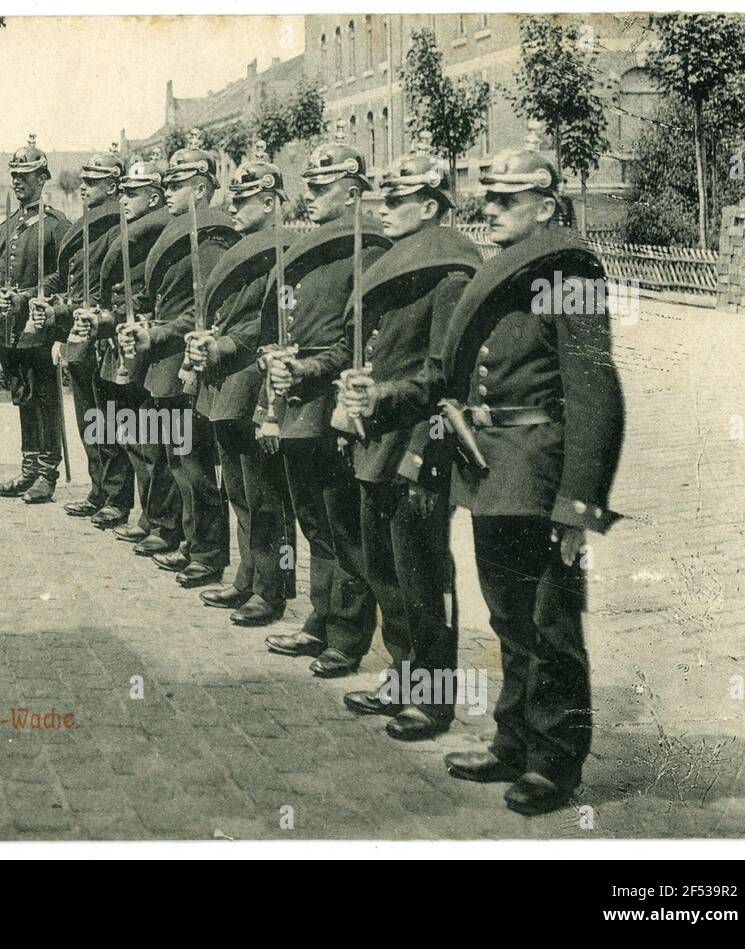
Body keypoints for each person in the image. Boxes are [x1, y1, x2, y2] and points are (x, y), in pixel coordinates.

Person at [341, 133, 625, 814]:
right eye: (486, 197)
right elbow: (444, 376)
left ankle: (555, 762)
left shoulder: (569, 275)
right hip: (491, 471)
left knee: (549, 623)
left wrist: (579, 504)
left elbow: (595, 394)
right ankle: (513, 741)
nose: (490, 208)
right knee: (509, 620)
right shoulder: (502, 268)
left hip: (541, 475)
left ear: (547, 204)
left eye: (507, 198)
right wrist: (378, 401)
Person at [331, 140, 480, 740]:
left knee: (423, 577)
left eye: (400, 199)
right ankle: (402, 675)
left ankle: (434, 696)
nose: (384, 208)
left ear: (431, 207)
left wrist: (417, 443)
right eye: (383, 197)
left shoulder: (447, 272)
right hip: (376, 438)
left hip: (418, 442)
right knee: (385, 569)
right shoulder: (394, 261)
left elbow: (444, 377)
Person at [259, 121, 389, 678]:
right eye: (307, 187)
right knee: (314, 520)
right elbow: (282, 322)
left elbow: (360, 342)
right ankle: (319, 617)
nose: (309, 197)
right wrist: (272, 359)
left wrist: (307, 369)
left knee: (344, 524)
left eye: (322, 188)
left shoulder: (368, 249)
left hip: (332, 401)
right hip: (294, 401)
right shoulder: (310, 248)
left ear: (353, 192)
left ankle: (347, 633)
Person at [184, 142, 297, 626]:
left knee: (266, 495)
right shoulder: (237, 249)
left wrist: (226, 345)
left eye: (244, 197)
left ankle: (272, 590)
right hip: (223, 384)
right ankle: (248, 577)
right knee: (238, 488)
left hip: (254, 382)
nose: (231, 204)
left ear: (270, 202)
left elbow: (269, 322)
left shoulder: (284, 253)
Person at [118, 129, 237, 589]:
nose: (167, 192)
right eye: (165, 184)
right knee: (176, 459)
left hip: (182, 360)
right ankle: (191, 542)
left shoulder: (209, 237)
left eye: (176, 184)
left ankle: (208, 553)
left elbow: (200, 310)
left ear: (202, 188)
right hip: (163, 361)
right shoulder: (181, 231)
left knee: (192, 462)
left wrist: (157, 332)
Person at [33, 146, 132, 528]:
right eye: (84, 180)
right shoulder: (84, 226)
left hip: (100, 334)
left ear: (113, 185)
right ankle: (97, 490)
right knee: (88, 418)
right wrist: (47, 291)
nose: (86, 186)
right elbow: (67, 276)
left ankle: (117, 497)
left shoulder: (117, 227)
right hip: (76, 332)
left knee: (108, 418)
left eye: (94, 181)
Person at [93, 151, 182, 557]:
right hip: (120, 333)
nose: (126, 199)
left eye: (136, 192)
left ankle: (163, 522)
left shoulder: (155, 233)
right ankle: (150, 518)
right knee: (132, 434)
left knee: (151, 437)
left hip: (144, 339)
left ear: (156, 196)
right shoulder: (132, 228)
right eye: (124, 191)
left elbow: (154, 290)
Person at [0, 135, 71, 503]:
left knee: (45, 397)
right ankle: (28, 470)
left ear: (43, 178)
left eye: (27, 175)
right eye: (15, 174)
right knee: (23, 396)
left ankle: (47, 474)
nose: (18, 181)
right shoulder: (7, 227)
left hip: (39, 325)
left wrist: (26, 297)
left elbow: (63, 277)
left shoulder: (56, 225)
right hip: (10, 329)